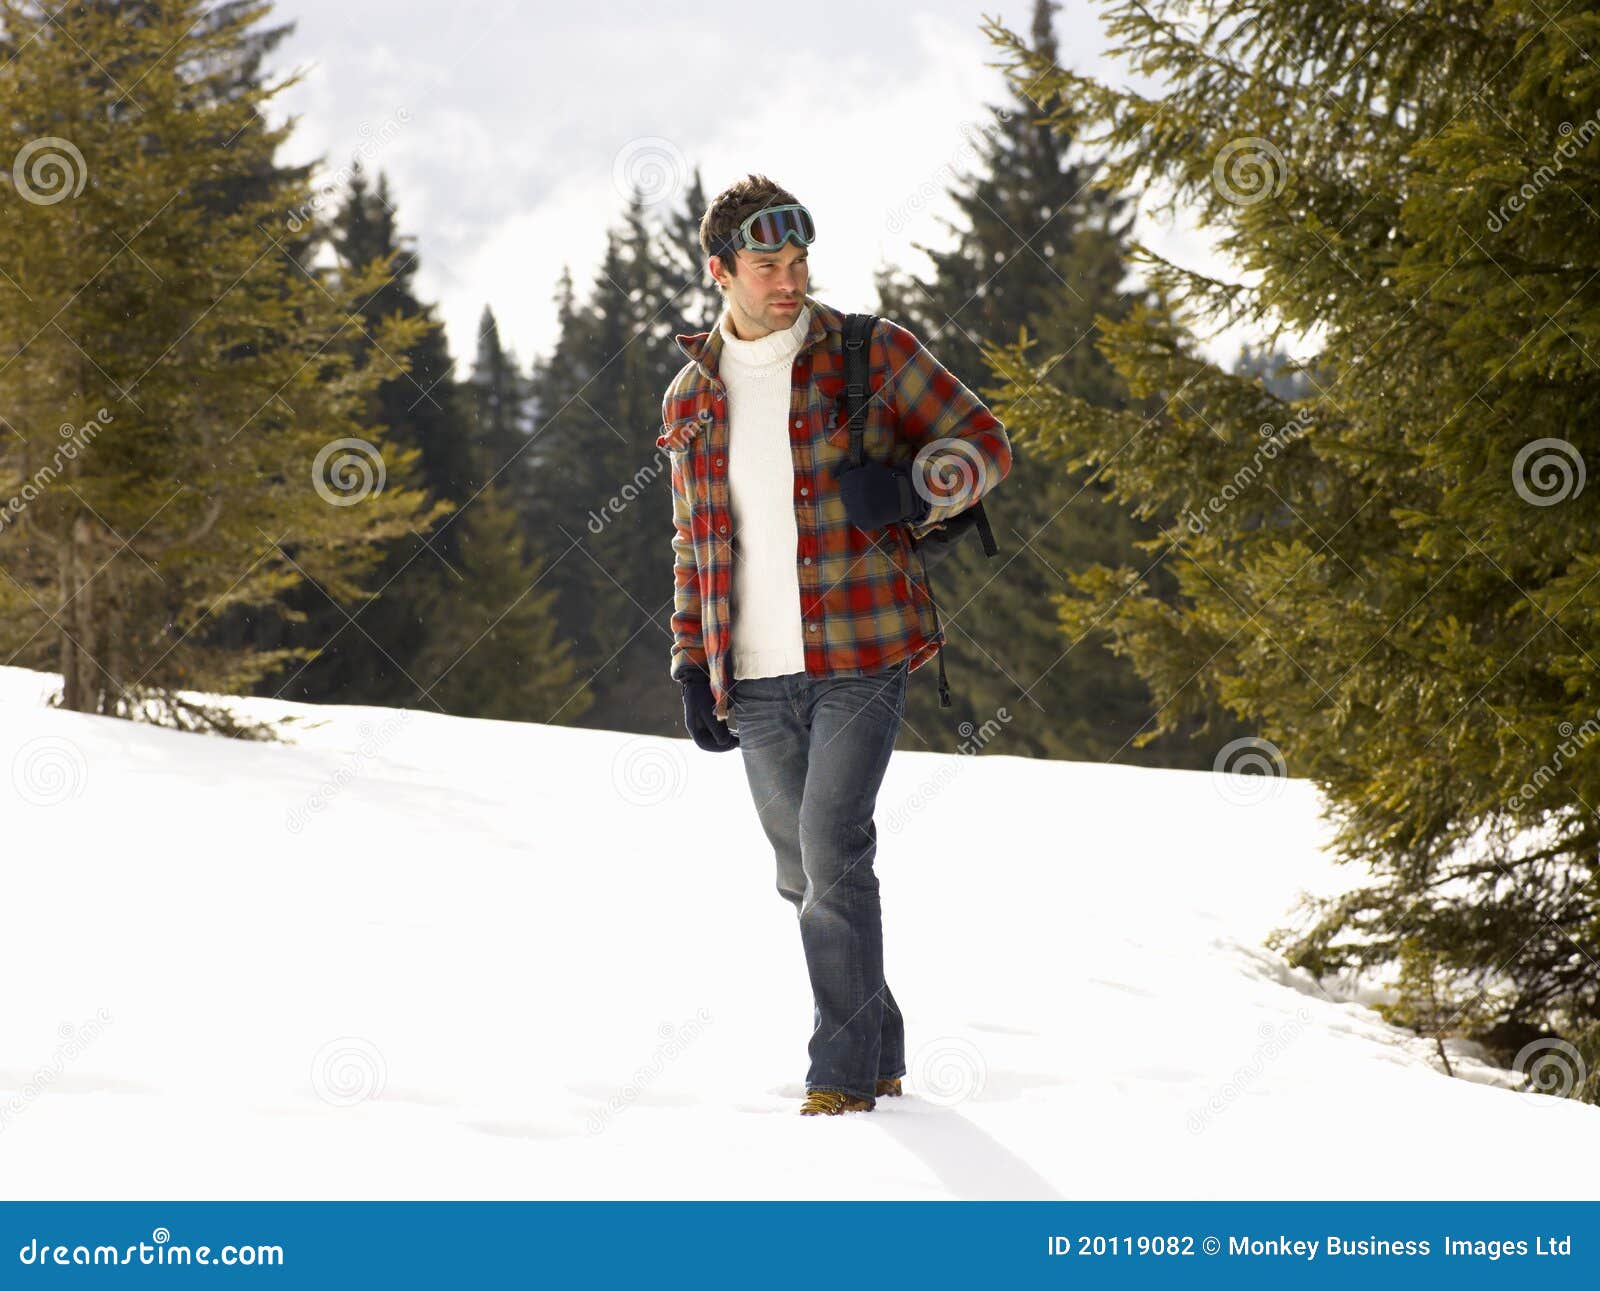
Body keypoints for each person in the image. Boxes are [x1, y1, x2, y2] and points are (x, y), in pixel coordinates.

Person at [657, 174, 1011, 1115]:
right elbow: (695, 540)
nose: (789, 279)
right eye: (768, 263)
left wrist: (914, 491)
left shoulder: (870, 351)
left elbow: (984, 441)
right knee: (803, 873)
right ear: (720, 270)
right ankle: (881, 1045)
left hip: (864, 647)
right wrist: (693, 659)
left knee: (831, 845)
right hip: (756, 674)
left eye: (800, 260)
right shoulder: (690, 396)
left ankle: (842, 1076)